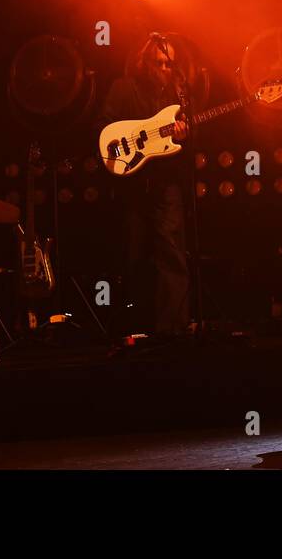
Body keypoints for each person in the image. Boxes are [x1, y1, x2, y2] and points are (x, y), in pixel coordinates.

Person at [98, 34, 194, 337]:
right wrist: (128, 143)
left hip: (166, 184)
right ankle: (131, 326)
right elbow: (103, 127)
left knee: (172, 253)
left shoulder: (177, 96)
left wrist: (182, 135)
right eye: (160, 62)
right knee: (132, 255)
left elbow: (181, 141)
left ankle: (173, 328)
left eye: (169, 64)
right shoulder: (124, 88)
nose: (165, 68)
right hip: (134, 186)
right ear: (145, 62)